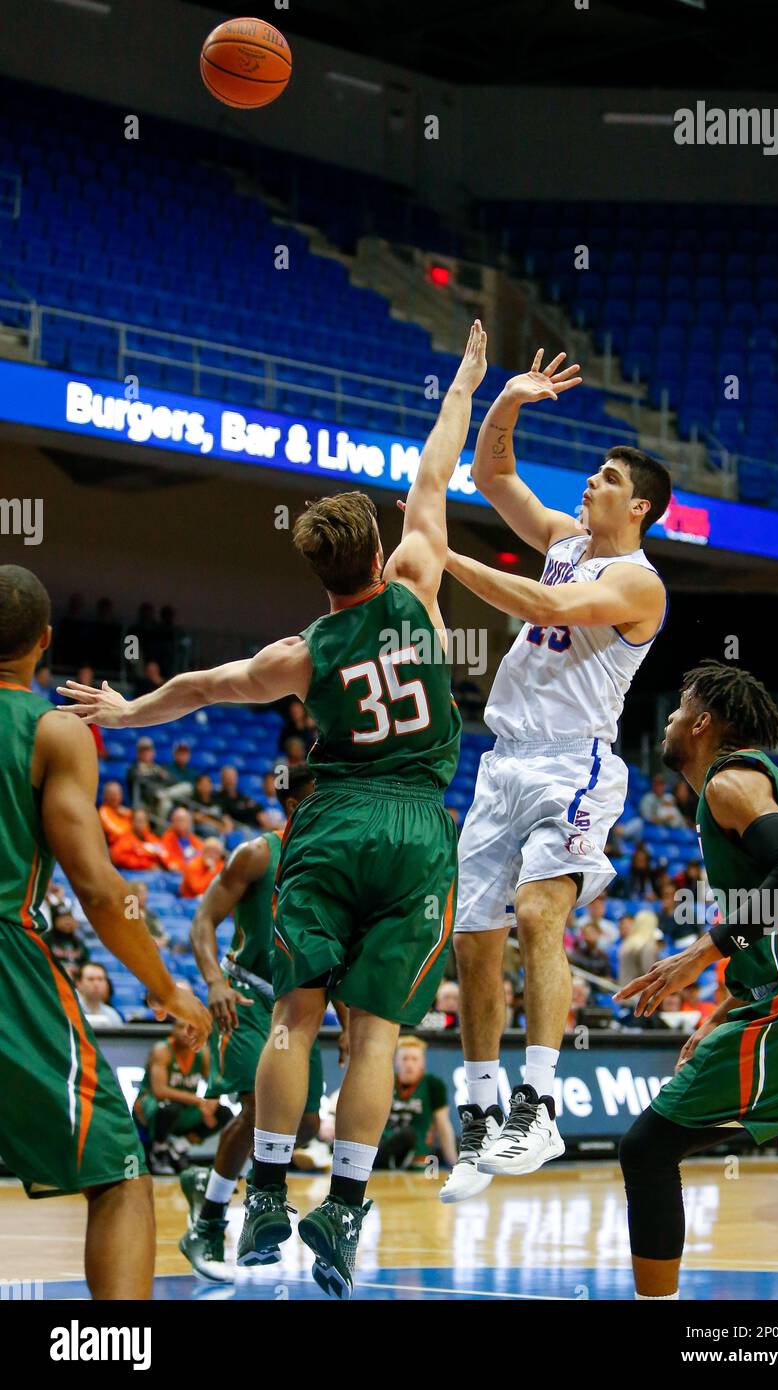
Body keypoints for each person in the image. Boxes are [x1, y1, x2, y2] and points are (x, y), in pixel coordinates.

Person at [58, 321, 489, 1299]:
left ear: (320, 575)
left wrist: (126, 709)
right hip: (421, 825)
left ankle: (261, 1196)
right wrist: (461, 381)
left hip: (330, 823)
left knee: (295, 1017)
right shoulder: (420, 592)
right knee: (373, 1035)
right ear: (379, 551)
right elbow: (433, 473)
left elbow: (206, 687)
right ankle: (342, 1205)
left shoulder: (301, 654)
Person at [436, 357, 671, 1201]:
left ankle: (537, 1104)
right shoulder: (567, 545)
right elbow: (492, 472)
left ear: (637, 506)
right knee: (473, 938)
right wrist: (505, 402)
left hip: (575, 764)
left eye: (605, 479)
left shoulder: (636, 579)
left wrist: (444, 559)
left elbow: (547, 610)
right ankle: (479, 1111)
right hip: (503, 762)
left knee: (539, 909)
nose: (589, 483)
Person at [616, 660, 778, 1300]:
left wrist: (697, 956)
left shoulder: (730, 783)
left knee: (647, 1148)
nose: (668, 720)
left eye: (677, 709)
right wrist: (720, 1014)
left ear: (702, 723)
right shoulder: (767, 788)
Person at [0, 564, 209, 1299]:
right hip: (6, 962)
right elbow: (96, 886)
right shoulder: (52, 730)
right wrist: (165, 987)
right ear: (45, 643)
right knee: (119, 1170)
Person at [178, 763, 327, 1281]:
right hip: (245, 996)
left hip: (302, 1003)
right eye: (321, 796)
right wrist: (214, 982)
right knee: (257, 1108)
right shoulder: (258, 854)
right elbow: (202, 919)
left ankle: (211, 1182)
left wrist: (351, 1022)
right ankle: (211, 1220)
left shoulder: (332, 858)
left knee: (305, 1125)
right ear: (293, 807)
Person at [134, 1019, 227, 1175]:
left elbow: (215, 1082)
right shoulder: (162, 1050)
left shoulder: (201, 1052)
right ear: (172, 1029)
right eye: (180, 1027)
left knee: (223, 1114)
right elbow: (160, 1091)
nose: (185, 1032)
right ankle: (159, 1151)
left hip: (183, 1106)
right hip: (150, 1104)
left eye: (190, 1028)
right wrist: (199, 1101)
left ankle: (178, 1148)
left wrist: (213, 1100)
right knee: (170, 1107)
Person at [374, 1037, 457, 1171]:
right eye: (405, 1059)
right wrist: (331, 1117)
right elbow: (346, 1094)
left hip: (418, 1157)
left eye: (414, 1059)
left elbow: (443, 1125)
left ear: (423, 1063)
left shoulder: (433, 1084)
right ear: (396, 1062)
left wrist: (454, 1164)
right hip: (384, 1154)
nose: (409, 1064)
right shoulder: (385, 1080)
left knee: (409, 1134)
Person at [110, 807, 172, 872]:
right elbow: (118, 857)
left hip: (153, 872)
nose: (141, 823)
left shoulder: (151, 838)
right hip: (131, 873)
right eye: (139, 820)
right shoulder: (125, 838)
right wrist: (147, 865)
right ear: (132, 822)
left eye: (144, 820)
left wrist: (168, 863)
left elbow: (162, 851)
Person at [43, 900, 90, 981]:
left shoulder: (79, 942)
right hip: (52, 980)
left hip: (76, 982)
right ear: (54, 920)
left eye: (70, 917)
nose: (68, 921)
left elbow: (86, 965)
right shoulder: (46, 939)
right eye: (63, 918)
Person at [77, 962, 124, 1029]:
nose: (96, 984)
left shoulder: (112, 1015)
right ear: (79, 983)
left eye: (100, 979)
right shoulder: (71, 1012)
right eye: (90, 979)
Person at [215, 764, 261, 828]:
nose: (230, 781)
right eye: (227, 778)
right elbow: (225, 817)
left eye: (232, 777)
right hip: (235, 829)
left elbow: (258, 809)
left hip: (250, 827)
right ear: (222, 779)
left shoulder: (243, 797)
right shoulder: (218, 798)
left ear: (236, 779)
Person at [161, 805, 203, 872]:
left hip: (194, 871)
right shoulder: (168, 837)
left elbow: (201, 854)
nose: (182, 823)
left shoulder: (194, 839)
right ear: (173, 822)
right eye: (179, 820)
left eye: (184, 820)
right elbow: (171, 863)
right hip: (178, 874)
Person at [98, 779, 133, 846]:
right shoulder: (103, 812)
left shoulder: (127, 812)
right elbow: (118, 832)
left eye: (117, 793)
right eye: (112, 794)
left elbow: (143, 830)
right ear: (105, 796)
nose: (115, 797)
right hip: (117, 848)